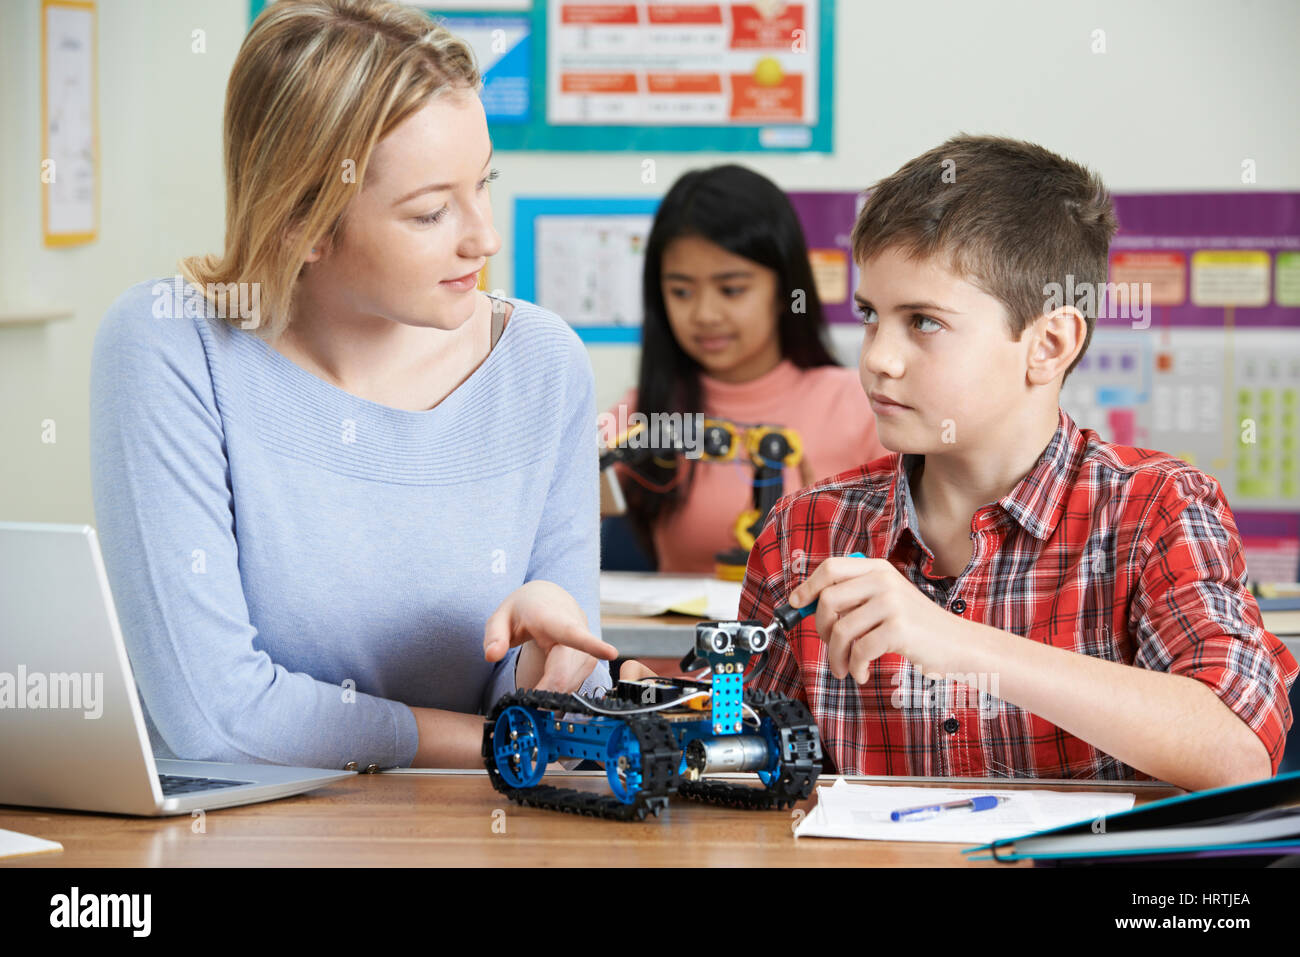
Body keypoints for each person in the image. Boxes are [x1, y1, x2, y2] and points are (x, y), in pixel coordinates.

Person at [88, 0, 613, 772]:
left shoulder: (542, 363)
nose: (484, 236)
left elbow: (561, 709)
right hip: (241, 844)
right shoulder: (171, 345)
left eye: (484, 182)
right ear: (306, 222)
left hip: (478, 838)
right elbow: (216, 718)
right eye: (432, 211)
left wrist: (543, 669)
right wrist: (488, 742)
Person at [740, 134, 1297, 790]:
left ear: (1048, 344)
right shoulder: (806, 528)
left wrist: (954, 640)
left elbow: (1236, 748)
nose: (876, 358)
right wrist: (669, 704)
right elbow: (744, 754)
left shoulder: (1158, 507)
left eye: (923, 321)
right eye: (871, 315)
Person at [601, 164, 887, 574]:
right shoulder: (644, 412)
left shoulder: (864, 405)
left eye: (732, 289)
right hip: (676, 638)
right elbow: (550, 521)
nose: (705, 314)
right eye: (681, 291)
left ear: (785, 289)